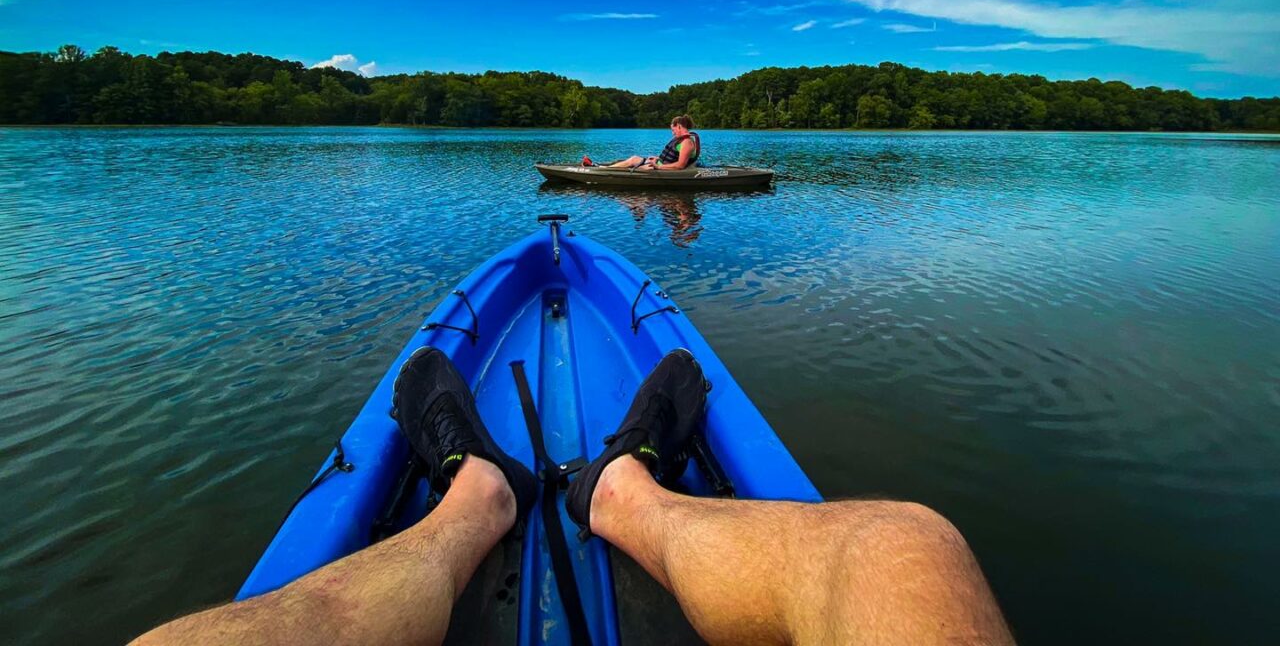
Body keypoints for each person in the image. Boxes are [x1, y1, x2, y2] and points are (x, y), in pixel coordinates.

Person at [132, 349, 1016, 646]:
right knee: (904, 548)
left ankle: (482, 493)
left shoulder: (685, 148)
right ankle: (620, 484)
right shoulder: (675, 149)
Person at [600, 114, 701, 171]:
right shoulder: (681, 140)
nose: (672, 133)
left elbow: (680, 165)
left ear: (679, 126)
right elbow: (673, 158)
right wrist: (658, 158)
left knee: (640, 168)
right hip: (659, 163)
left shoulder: (687, 142)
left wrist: (658, 166)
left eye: (673, 130)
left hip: (661, 169)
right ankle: (604, 168)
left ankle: (604, 171)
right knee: (634, 159)